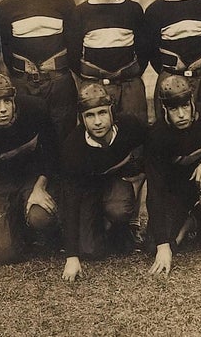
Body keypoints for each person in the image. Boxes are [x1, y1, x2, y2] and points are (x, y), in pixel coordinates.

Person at [71, 0, 151, 247]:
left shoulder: (132, 9)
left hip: (129, 85)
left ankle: (131, 220)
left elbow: (143, 51)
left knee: (136, 151)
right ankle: (100, 217)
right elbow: (73, 55)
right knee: (96, 144)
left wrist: (125, 76)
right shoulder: (80, 12)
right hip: (95, 88)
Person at [0, 74, 60, 282]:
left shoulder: (36, 109)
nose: (3, 109)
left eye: (7, 101)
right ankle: (17, 226)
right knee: (4, 254)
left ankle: (39, 229)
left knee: (41, 217)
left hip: (31, 176)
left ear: (15, 100)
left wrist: (40, 187)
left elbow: (53, 153)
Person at [146, 75, 201, 276]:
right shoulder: (156, 135)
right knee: (155, 245)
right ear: (164, 109)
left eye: (185, 106)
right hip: (178, 189)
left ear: (192, 102)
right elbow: (155, 190)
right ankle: (193, 220)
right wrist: (162, 246)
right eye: (173, 109)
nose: (181, 114)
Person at [59, 83, 147, 281]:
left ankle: (122, 227)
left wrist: (140, 174)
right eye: (90, 115)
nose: (97, 121)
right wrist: (72, 256)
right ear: (82, 118)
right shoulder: (73, 146)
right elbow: (71, 199)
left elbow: (153, 148)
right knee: (90, 250)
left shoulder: (129, 125)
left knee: (119, 209)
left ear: (112, 112)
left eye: (102, 113)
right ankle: (101, 225)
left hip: (116, 185)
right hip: (87, 190)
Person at [0, 0, 78, 142]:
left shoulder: (64, 2)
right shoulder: (7, 6)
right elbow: (6, 49)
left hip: (60, 84)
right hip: (24, 83)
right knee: (28, 137)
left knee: (64, 136)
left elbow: (73, 44)